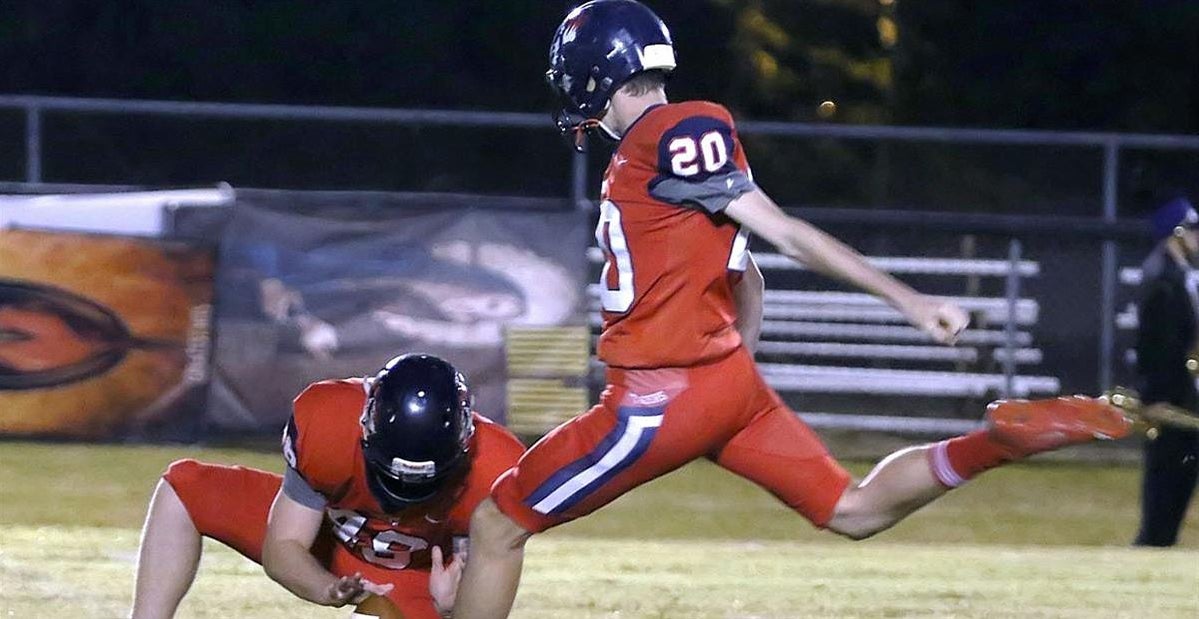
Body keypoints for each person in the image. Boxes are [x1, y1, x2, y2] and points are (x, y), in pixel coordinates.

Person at [452, 2, 1137, 616]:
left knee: (495, 523)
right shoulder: (663, 147)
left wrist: (909, 299)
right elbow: (742, 271)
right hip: (718, 381)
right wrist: (730, 371)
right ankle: (995, 442)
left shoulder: (673, 131)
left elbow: (782, 232)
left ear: (588, 75)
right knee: (853, 509)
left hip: (658, 396)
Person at [130, 353, 526, 618]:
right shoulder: (327, 419)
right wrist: (327, 587)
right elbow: (283, 547)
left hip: (419, 575)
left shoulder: (497, 469)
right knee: (184, 488)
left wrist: (452, 608)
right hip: (330, 542)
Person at [1133, 196, 1199, 546]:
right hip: (1169, 400)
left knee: (1176, 489)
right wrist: (1155, 396)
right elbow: (1155, 345)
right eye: (1193, 229)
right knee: (1164, 494)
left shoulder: (1180, 274)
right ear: (1176, 233)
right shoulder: (1161, 278)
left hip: (1183, 397)